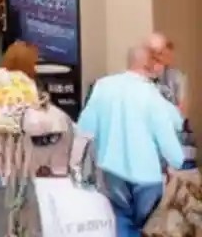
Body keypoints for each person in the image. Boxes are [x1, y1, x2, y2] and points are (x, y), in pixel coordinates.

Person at [78, 44, 185, 236]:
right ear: (148, 64)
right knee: (147, 226)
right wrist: (176, 160)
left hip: (112, 173)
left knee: (120, 220)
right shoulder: (152, 94)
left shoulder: (103, 86)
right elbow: (175, 124)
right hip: (147, 177)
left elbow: (84, 129)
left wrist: (75, 167)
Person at [147, 32, 195, 169]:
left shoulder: (178, 77)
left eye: (167, 54)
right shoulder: (144, 77)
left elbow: (182, 111)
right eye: (160, 54)